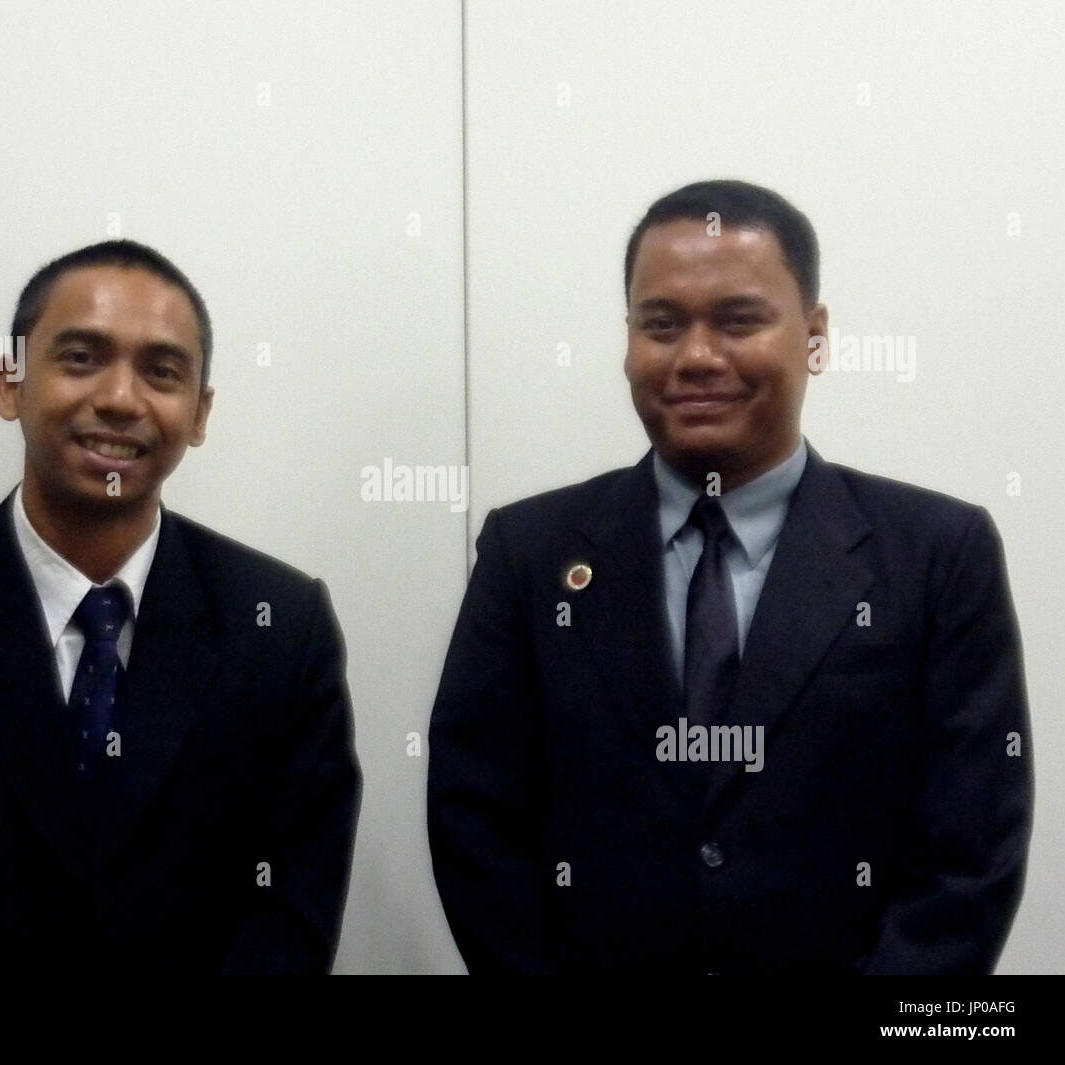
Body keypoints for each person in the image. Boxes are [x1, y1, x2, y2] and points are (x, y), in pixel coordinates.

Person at [427, 180, 1032, 974]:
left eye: (739, 320)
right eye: (662, 325)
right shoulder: (530, 552)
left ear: (814, 334)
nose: (697, 357)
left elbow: (971, 851)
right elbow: (475, 819)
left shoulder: (937, 553)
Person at [0, 240, 361, 976]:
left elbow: (294, 912)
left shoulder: (282, 629)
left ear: (200, 412)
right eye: (82, 357)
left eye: (162, 370)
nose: (120, 397)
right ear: (11, 385)